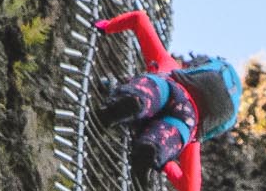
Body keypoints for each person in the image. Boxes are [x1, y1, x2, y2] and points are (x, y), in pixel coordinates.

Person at [99, 53, 243, 180]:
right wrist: (172, 164)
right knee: (172, 132)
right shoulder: (231, 114)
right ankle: (154, 148)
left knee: (153, 90)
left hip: (175, 87)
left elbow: (140, 22)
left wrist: (105, 27)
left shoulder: (216, 64)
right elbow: (192, 188)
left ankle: (136, 100)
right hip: (189, 117)